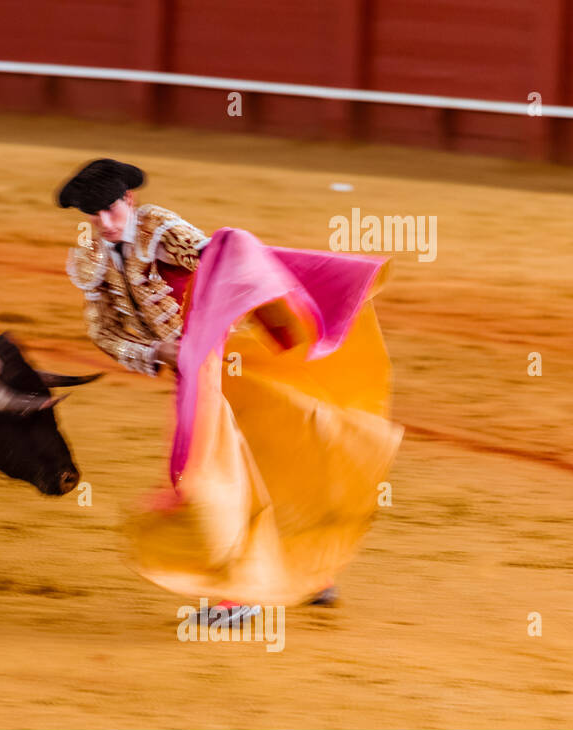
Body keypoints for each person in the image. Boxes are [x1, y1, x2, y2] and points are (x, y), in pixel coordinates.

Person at [57, 158, 403, 624]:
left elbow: (225, 264)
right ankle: (309, 576)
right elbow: (102, 331)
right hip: (195, 379)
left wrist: (215, 335)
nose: (102, 223)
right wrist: (157, 351)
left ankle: (239, 594)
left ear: (129, 200)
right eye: (92, 215)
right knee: (250, 466)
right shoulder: (91, 257)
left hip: (229, 362)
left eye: (109, 210)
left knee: (218, 473)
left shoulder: (160, 228)